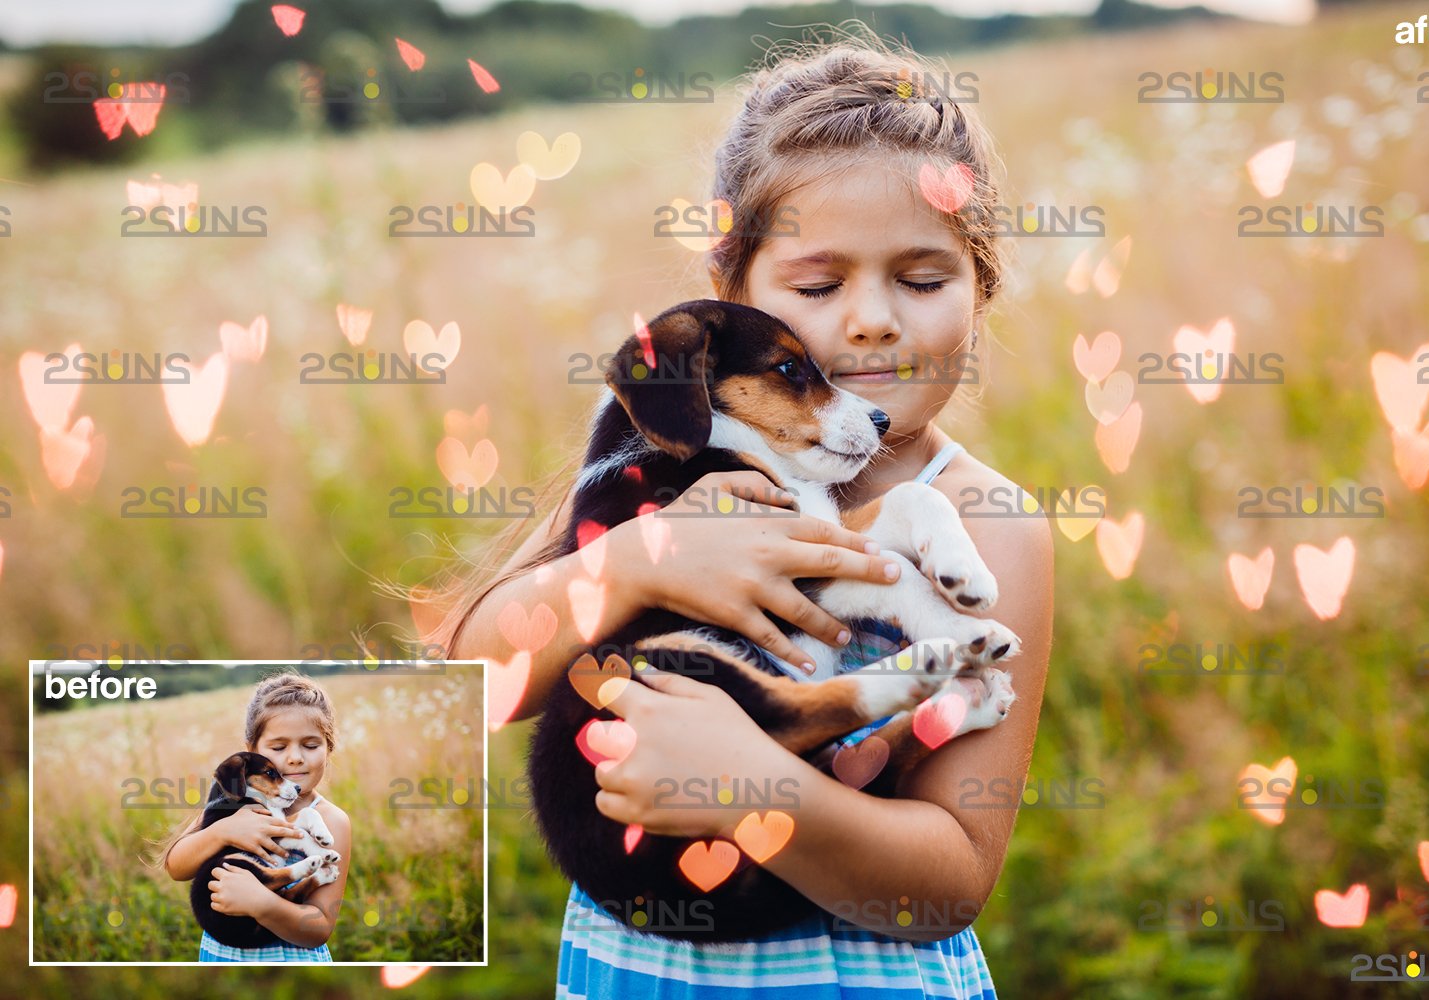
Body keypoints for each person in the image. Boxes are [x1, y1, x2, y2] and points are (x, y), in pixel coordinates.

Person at [429, 27, 1053, 1000]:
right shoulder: (668, 480)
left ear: (983, 287)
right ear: (732, 301)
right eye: (818, 285)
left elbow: (953, 881)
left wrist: (749, 786)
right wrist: (637, 562)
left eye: (924, 279)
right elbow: (476, 682)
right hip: (636, 968)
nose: (873, 320)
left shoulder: (991, 523)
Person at [154, 671, 352, 962]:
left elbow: (320, 927)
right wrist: (221, 832)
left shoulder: (331, 820)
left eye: (311, 745)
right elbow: (176, 867)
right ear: (252, 752)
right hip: (221, 957)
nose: (295, 757)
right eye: (278, 747)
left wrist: (261, 903)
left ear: (329, 747)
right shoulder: (230, 805)